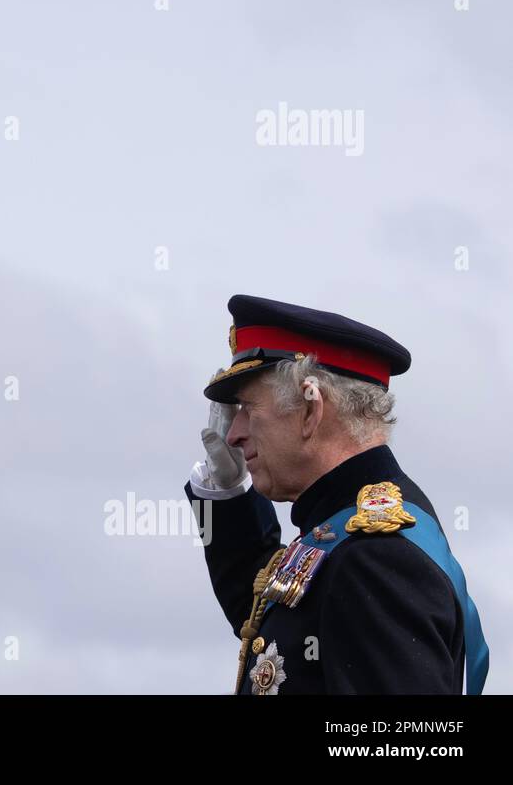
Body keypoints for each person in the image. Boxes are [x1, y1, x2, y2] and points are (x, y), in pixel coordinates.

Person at [186, 294, 488, 694]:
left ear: (312, 410)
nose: (234, 433)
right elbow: (268, 618)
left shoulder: (376, 558)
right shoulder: (342, 532)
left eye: (248, 407)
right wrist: (224, 491)